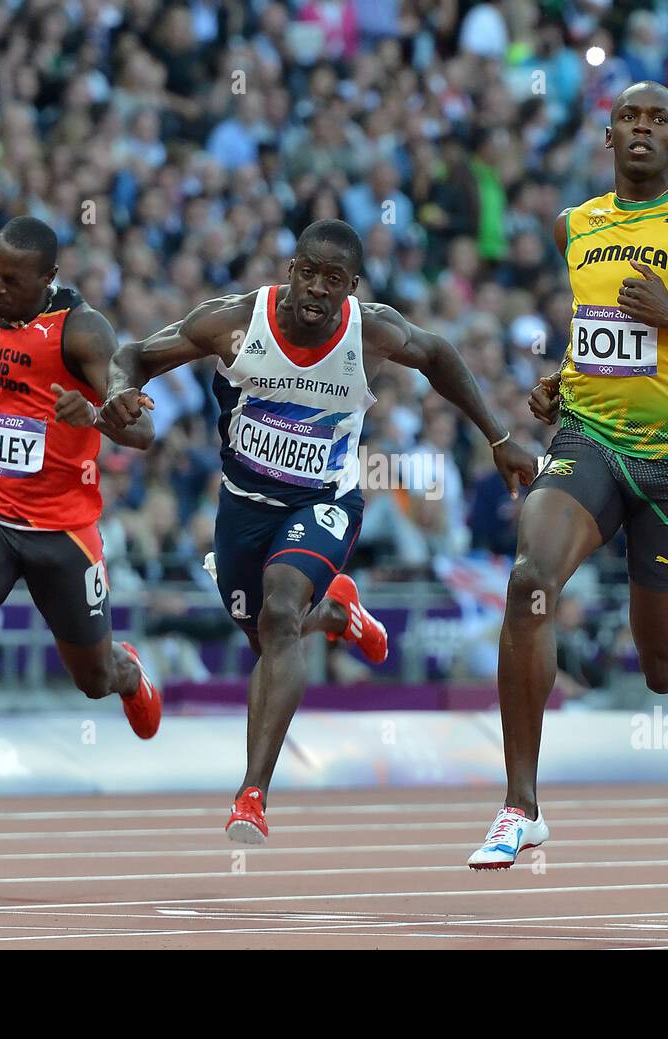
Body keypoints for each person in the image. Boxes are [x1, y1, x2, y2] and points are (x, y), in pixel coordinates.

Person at [103, 218, 537, 843]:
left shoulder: (372, 332)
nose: (315, 289)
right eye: (307, 272)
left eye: (333, 280)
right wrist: (121, 390)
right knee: (267, 636)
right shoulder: (234, 322)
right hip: (243, 506)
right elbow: (136, 355)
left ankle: (251, 795)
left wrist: (498, 437)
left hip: (323, 501)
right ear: (290, 270)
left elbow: (439, 356)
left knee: (280, 612)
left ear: (351, 287)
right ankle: (336, 616)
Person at [469, 82, 668, 869]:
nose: (642, 129)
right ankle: (521, 804)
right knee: (529, 580)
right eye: (629, 117)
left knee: (667, 667)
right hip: (586, 441)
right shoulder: (574, 226)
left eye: (659, 120)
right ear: (607, 135)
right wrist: (562, 379)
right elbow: (600, 332)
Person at [0, 217, 160, 845]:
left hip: (62, 532)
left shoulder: (82, 331)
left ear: (49, 279)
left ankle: (126, 670)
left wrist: (97, 415)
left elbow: (142, 433)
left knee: (92, 680)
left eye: (11, 280)